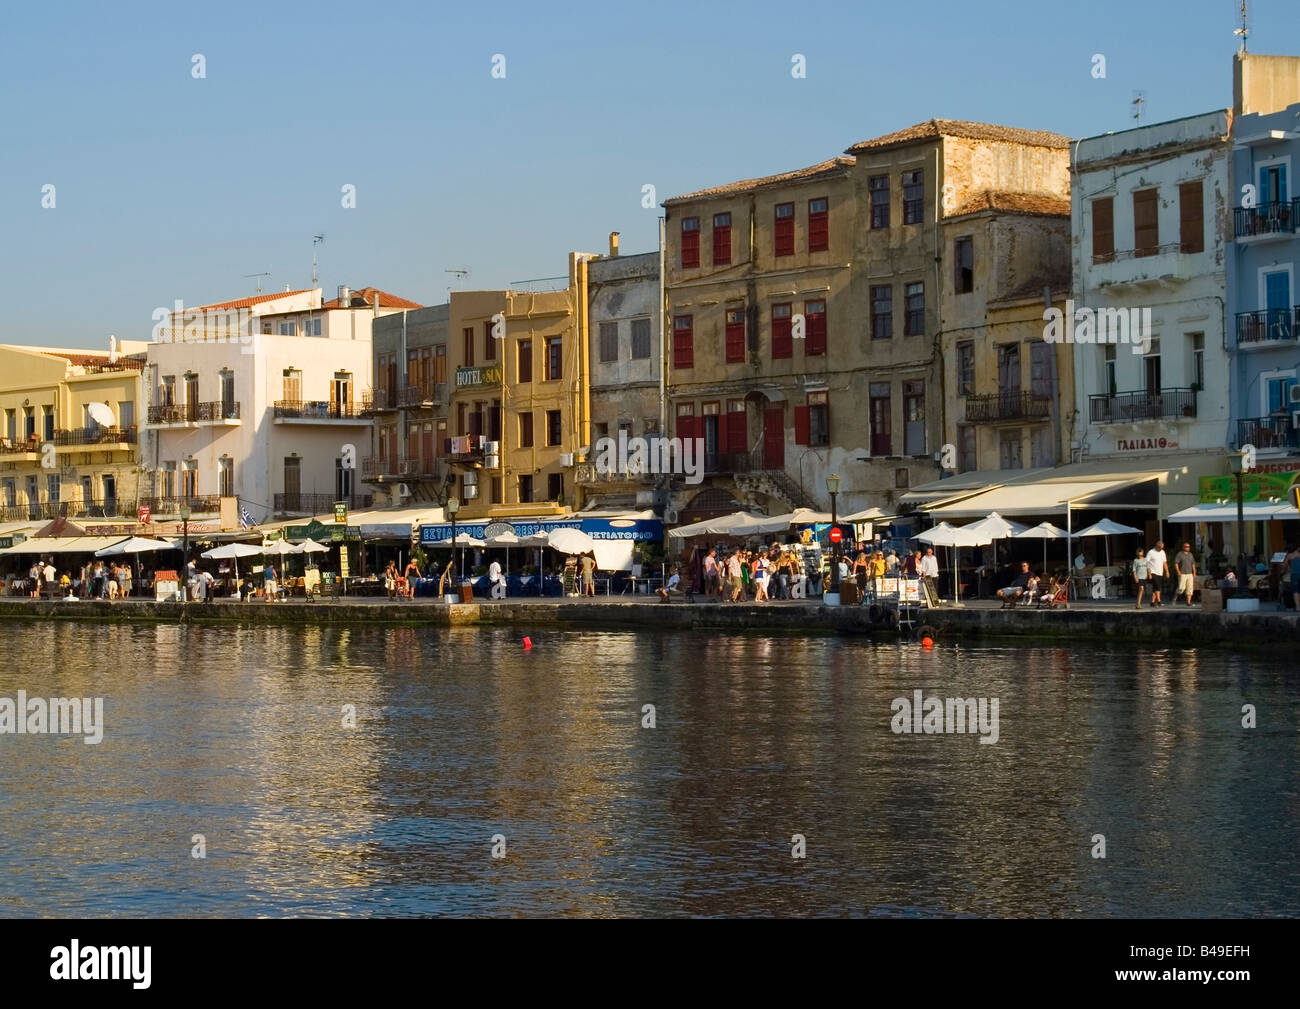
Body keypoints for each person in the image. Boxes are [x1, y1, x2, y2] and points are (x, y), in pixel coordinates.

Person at [1174, 541, 1198, 605]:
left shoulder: (1190, 554)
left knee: (1190, 588)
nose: (1188, 548)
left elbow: (1193, 564)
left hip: (1190, 573)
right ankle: (1175, 597)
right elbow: (1176, 563)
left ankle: (1188, 602)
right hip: (1182, 573)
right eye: (1186, 547)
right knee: (1181, 588)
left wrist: (1194, 572)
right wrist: (1178, 571)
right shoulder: (1180, 554)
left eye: (1189, 547)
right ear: (1183, 547)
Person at [1146, 540, 1167, 608]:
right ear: (1157, 546)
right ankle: (1159, 601)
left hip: (1160, 572)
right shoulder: (1151, 552)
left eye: (1162, 548)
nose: (1161, 549)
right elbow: (1147, 563)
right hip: (1153, 572)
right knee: (1157, 586)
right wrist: (1149, 573)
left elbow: (1164, 563)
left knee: (1155, 587)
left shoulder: (1162, 552)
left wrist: (1167, 571)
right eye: (1160, 547)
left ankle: (1152, 602)